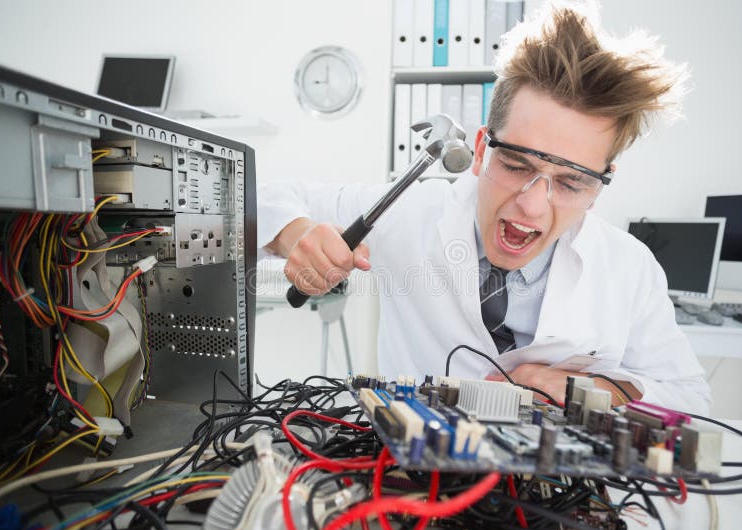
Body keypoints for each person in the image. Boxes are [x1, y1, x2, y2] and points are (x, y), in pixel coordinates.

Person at [258, 2, 710, 414]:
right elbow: (261, 195)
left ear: (598, 187)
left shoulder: (630, 268)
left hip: (559, 491)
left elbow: (692, 398)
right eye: (515, 165)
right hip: (412, 476)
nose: (532, 205)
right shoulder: (409, 210)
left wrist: (591, 389)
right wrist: (296, 234)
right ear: (479, 151)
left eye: (570, 182)